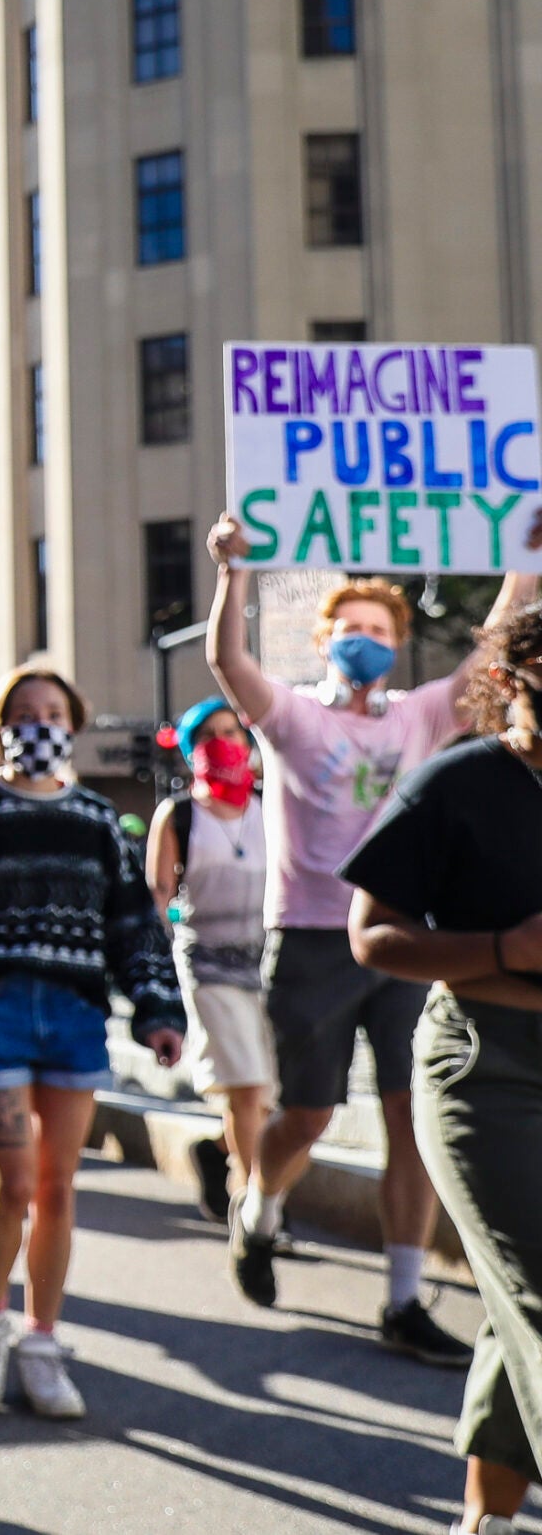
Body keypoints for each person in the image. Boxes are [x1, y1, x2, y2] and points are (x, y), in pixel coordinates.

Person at [204, 510, 537, 1357]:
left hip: (407, 946)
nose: (366, 641)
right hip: (312, 939)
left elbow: (492, 653)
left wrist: (522, 561)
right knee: (309, 1114)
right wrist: (233, 574)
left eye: (381, 630)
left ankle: (402, 1297)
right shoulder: (292, 717)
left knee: (407, 1117)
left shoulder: (417, 720)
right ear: (324, 641)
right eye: (351, 629)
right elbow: (229, 663)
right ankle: (259, 1207)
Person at [343, 600, 542, 1535]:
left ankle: (485, 1524)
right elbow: (372, 935)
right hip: (485, 1070)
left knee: (514, 1301)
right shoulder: (459, 780)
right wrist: (505, 948)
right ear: (508, 681)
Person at [0, 665, 184, 1421]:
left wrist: (158, 1008)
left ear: (73, 723)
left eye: (53, 711)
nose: (39, 723)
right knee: (14, 1182)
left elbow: (132, 923)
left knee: (57, 1187)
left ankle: (42, 1341)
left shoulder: (97, 818)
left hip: (76, 1019)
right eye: (24, 712)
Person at [147, 696, 274, 1222]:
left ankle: (218, 1150)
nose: (223, 743)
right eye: (208, 735)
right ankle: (257, 1205)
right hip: (208, 966)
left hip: (270, 964)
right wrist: (159, 974)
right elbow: (158, 895)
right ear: (190, 749)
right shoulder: (178, 815)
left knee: (271, 1094)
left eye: (232, 731)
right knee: (247, 1086)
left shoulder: (270, 805)